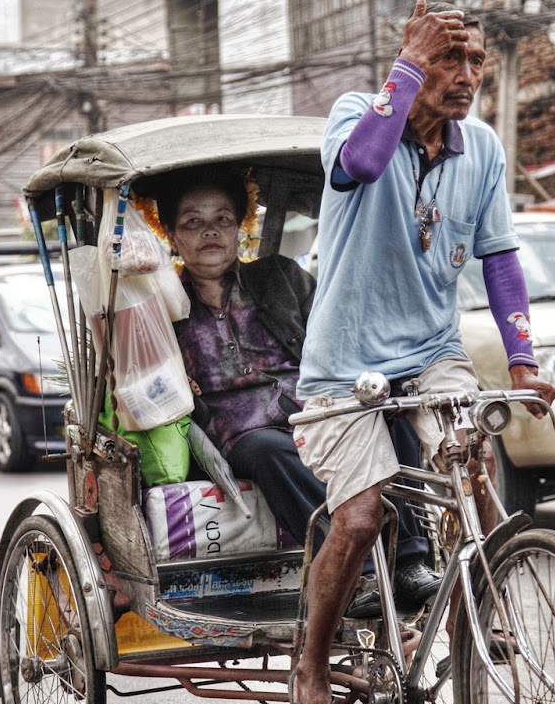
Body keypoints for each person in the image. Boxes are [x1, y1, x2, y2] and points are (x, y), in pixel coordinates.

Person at [285, 0, 555, 704]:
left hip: (431, 349)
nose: (465, 76)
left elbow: (499, 259)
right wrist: (406, 64)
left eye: (474, 61)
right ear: (410, 60)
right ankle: (311, 676)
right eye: (447, 59)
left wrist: (525, 360)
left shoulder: (482, 149)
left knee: (469, 459)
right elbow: (362, 164)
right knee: (364, 513)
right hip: (342, 363)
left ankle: (483, 604)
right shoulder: (354, 116)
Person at [154, 167, 439, 612]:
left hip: (316, 407)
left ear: (239, 229)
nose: (210, 231)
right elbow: (145, 375)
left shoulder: (280, 277)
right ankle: (356, 573)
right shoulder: (161, 303)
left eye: (223, 219)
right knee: (270, 450)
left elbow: (340, 331)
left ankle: (409, 560)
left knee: (390, 408)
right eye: (192, 222)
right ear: (171, 233)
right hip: (241, 431)